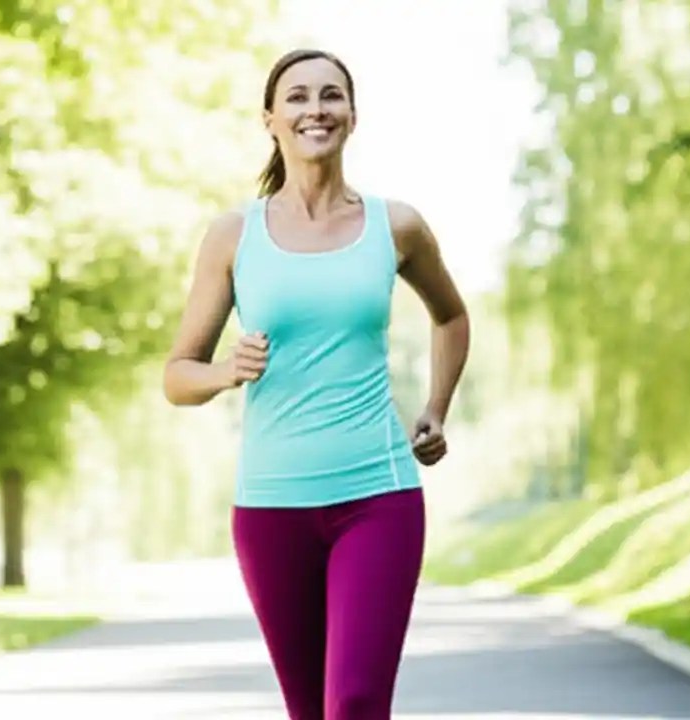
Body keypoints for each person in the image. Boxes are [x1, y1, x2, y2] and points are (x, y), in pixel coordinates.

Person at [162, 47, 470, 720]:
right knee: (309, 710)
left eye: (331, 96)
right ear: (269, 119)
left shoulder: (397, 226)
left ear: (352, 117)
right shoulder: (234, 236)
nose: (315, 109)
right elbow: (176, 375)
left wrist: (437, 409)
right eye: (297, 97)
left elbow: (450, 317)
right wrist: (225, 371)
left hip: (377, 496)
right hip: (271, 507)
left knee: (355, 700)